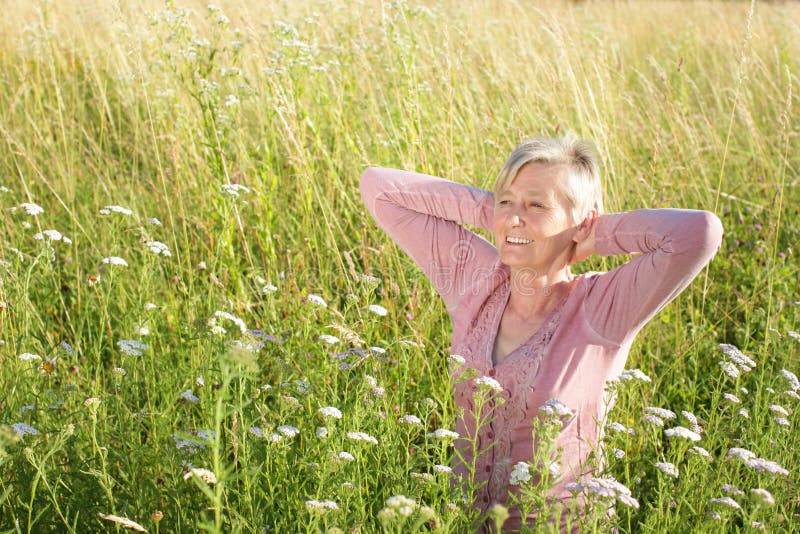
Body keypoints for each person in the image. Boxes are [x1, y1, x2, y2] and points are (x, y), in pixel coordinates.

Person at [359, 134, 723, 532]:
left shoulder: (602, 307)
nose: (516, 215)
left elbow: (698, 232)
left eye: (537, 205)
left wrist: (597, 234)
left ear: (582, 220)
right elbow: (379, 187)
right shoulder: (475, 280)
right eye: (507, 200)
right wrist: (501, 216)